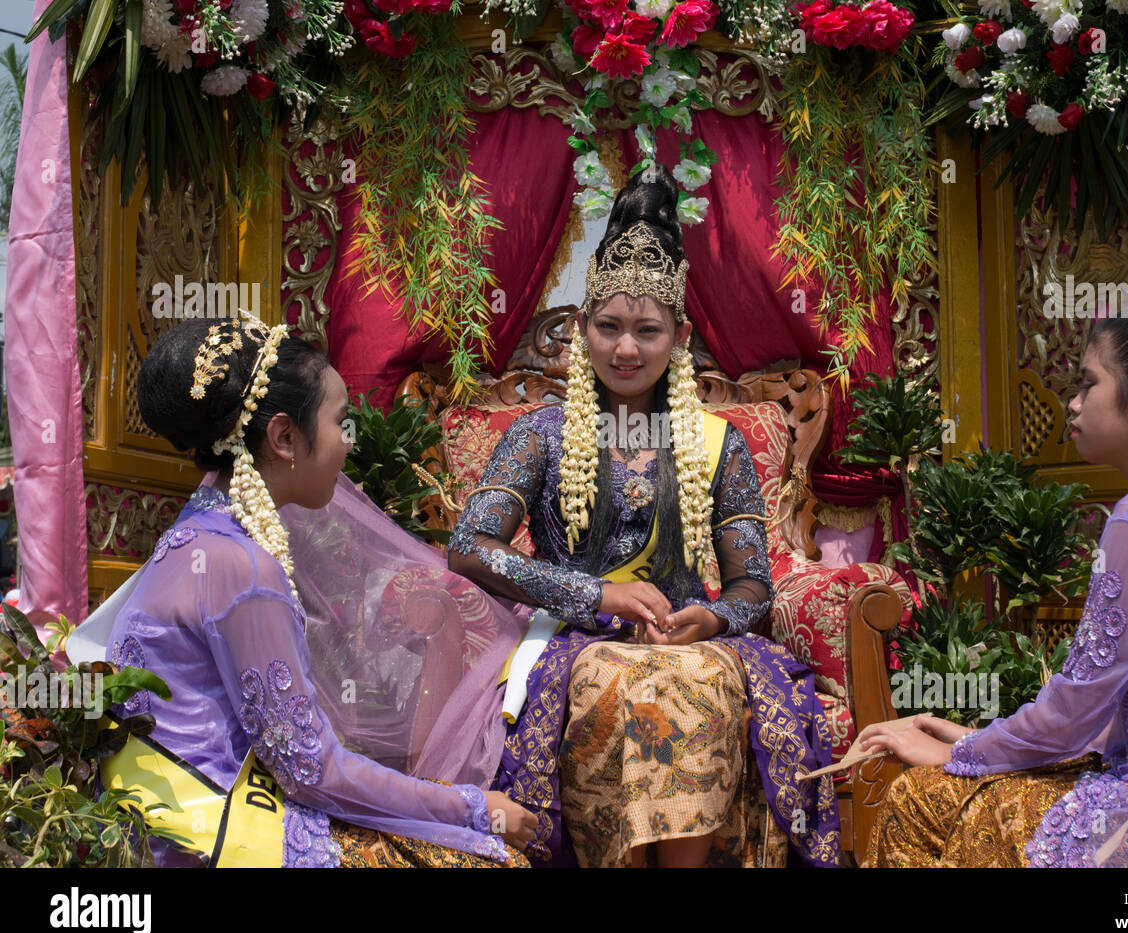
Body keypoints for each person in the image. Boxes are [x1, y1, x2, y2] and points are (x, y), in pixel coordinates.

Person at [448, 165, 841, 867]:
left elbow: (753, 583)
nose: (625, 348)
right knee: (615, 683)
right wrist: (595, 594)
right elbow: (468, 548)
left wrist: (714, 618)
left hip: (687, 643)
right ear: (579, 326)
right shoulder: (538, 434)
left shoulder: (719, 443)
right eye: (608, 327)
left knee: (694, 680)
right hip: (571, 639)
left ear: (680, 335)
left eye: (646, 330)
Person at [857, 269, 1128, 867]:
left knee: (921, 801)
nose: (1071, 401)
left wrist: (958, 755)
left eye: (1088, 383)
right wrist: (973, 737)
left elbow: (1075, 710)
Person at [105, 314, 539, 867]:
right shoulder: (241, 568)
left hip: (160, 824)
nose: (348, 444)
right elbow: (312, 770)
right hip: (209, 836)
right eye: (340, 422)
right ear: (285, 436)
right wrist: (473, 807)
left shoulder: (198, 535)